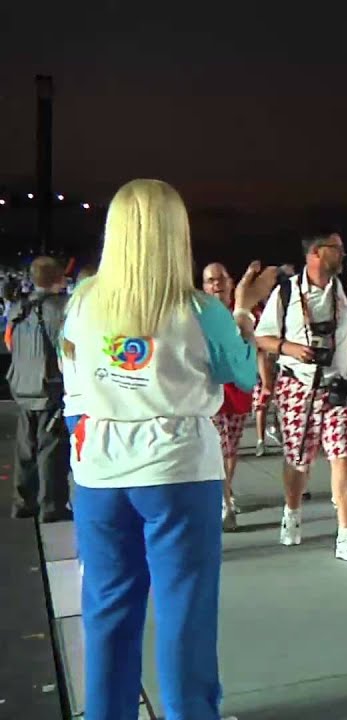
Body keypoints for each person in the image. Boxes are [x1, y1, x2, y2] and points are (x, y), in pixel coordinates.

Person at [61, 178, 271, 720]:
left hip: (100, 471)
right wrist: (243, 317)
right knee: (184, 609)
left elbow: (73, 381)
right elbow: (242, 375)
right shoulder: (201, 310)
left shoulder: (83, 302)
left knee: (107, 608)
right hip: (177, 470)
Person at [254, 231, 347, 564]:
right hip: (298, 386)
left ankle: (346, 536)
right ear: (316, 253)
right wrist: (290, 348)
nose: (343, 254)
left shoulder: (346, 293)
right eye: (337, 248)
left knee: (342, 458)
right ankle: (293, 511)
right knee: (299, 459)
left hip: (341, 385)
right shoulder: (285, 292)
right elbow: (262, 337)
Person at [7, 255, 72, 522]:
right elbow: (67, 347)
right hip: (49, 386)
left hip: (22, 386)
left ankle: (23, 502)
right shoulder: (59, 308)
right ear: (58, 278)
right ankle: (51, 506)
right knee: (51, 449)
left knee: (26, 448)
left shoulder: (18, 308)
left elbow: (10, 343)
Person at [202, 262, 252, 532]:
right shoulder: (197, 315)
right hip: (209, 391)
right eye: (211, 280)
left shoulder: (244, 312)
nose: (217, 284)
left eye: (221, 278)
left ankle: (226, 492)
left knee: (230, 449)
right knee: (218, 448)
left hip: (237, 390)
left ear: (231, 283)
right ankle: (223, 503)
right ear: (204, 287)